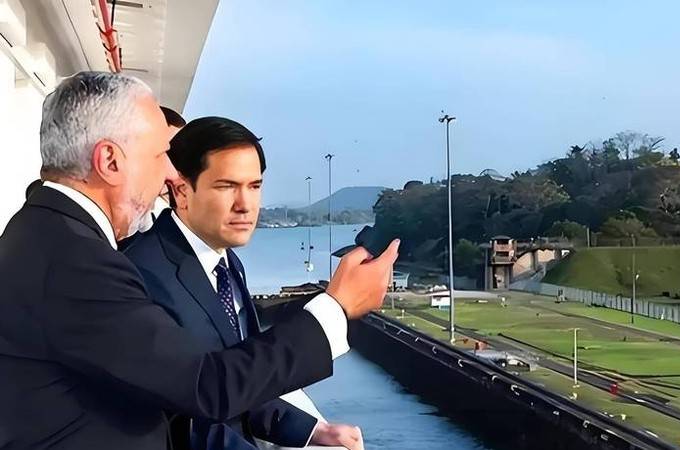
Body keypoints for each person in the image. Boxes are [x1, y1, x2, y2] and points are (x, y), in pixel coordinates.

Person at [0, 71, 398, 450]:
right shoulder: (77, 262)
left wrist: (305, 428)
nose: (169, 173)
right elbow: (203, 387)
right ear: (110, 161)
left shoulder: (43, 236)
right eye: (160, 154)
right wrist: (336, 307)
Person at [124, 117, 363, 450]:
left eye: (254, 186)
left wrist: (311, 431)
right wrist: (337, 306)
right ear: (182, 191)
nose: (245, 205)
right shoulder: (141, 272)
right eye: (226, 186)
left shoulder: (227, 262)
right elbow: (183, 415)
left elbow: (242, 380)